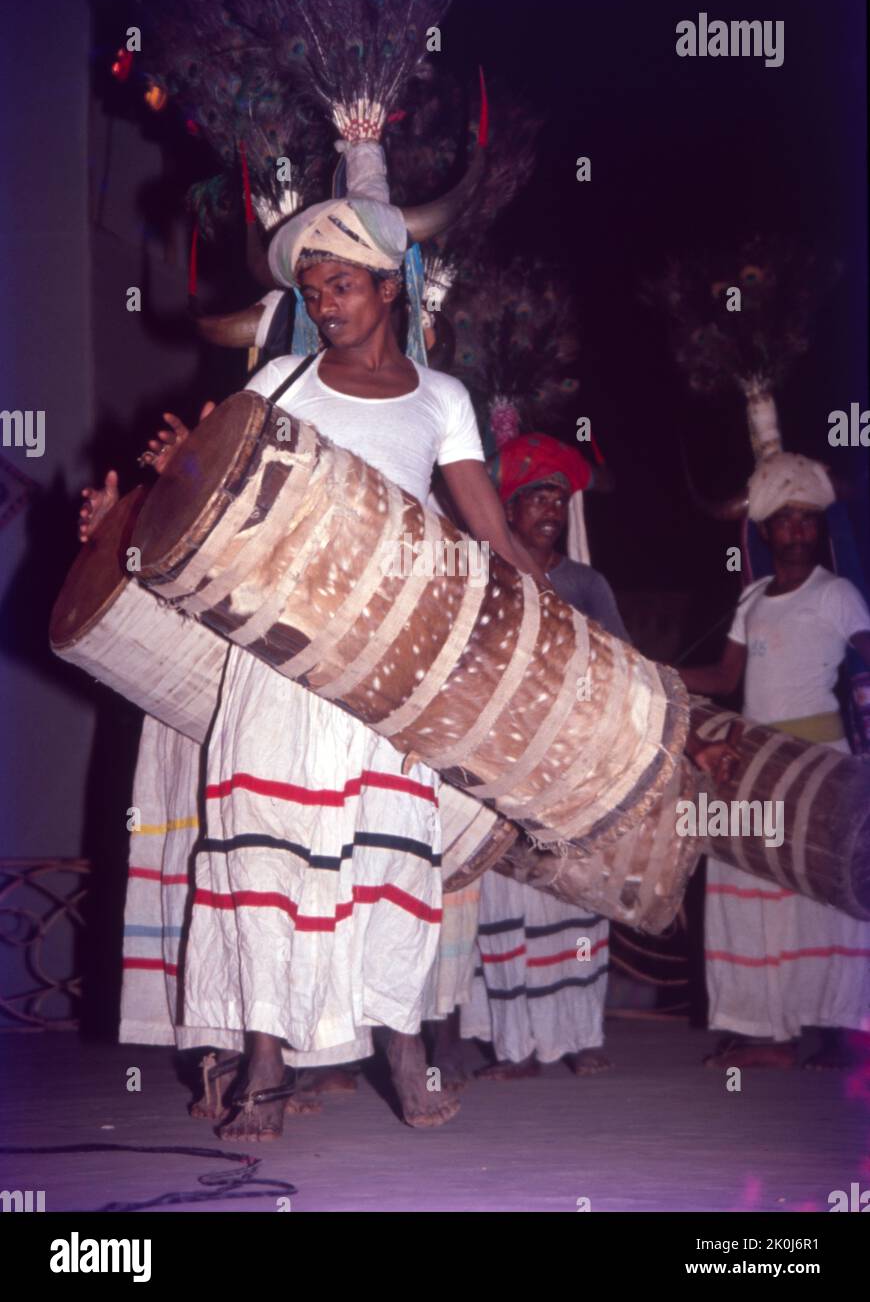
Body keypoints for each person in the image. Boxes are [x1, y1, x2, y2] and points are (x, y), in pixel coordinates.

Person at [80, 159, 549, 1140]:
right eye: (313, 288)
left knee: (394, 854)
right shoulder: (279, 380)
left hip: (388, 662)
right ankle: (263, 1068)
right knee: (265, 849)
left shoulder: (444, 399)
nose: (327, 303)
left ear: (390, 287)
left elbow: (494, 537)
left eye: (344, 283)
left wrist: (542, 633)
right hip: (280, 653)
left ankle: (405, 1048)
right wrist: (171, 474)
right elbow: (210, 495)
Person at [679, 452, 870, 1069]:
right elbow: (725, 675)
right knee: (745, 887)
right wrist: (655, 671)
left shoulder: (836, 594)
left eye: (807, 520)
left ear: (819, 527)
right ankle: (768, 1031)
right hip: (756, 762)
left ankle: (836, 1028)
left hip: (819, 764)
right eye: (783, 521)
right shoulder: (755, 596)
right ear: (763, 532)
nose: (796, 532)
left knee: (824, 890)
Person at [459, 434, 627, 1077]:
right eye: (537, 497)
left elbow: (623, 663)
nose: (551, 508)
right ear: (507, 508)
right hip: (501, 760)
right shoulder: (485, 575)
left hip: (572, 765)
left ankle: (580, 1038)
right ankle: (516, 1047)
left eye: (559, 497)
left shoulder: (586, 583)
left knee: (576, 895)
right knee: (508, 904)